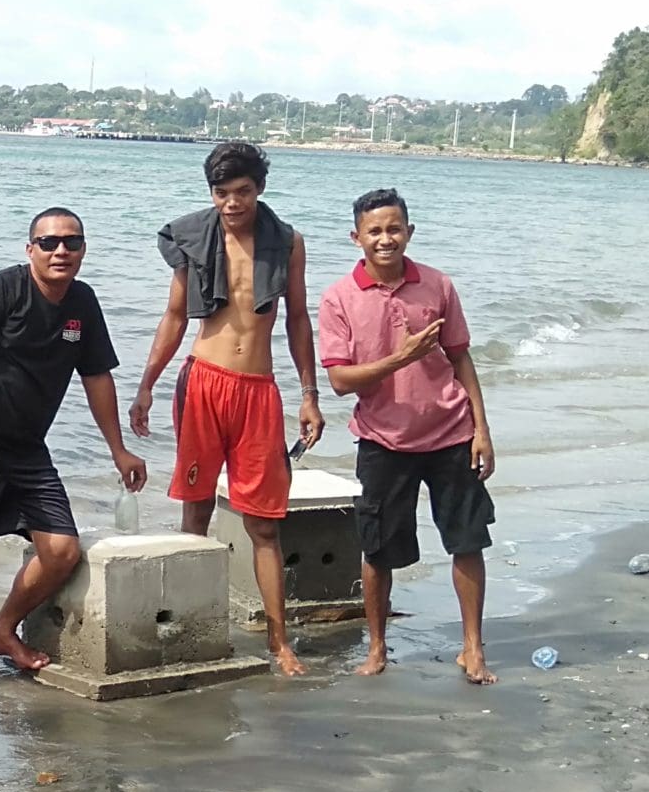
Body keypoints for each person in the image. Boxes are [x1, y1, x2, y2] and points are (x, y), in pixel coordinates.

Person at [129, 141, 324, 675]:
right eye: (222, 193)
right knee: (195, 509)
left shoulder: (286, 242)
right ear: (211, 192)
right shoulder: (195, 239)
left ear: (259, 189)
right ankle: (191, 633)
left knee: (264, 524)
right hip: (203, 382)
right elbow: (174, 316)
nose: (232, 203)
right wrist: (146, 384)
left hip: (258, 390)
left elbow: (298, 320)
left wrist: (309, 394)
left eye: (242, 192)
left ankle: (279, 642)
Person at [0, 208, 148, 673]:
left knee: (62, 551)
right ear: (30, 249)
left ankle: (2, 630)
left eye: (71, 242)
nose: (60, 251)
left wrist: (119, 449)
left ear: (84, 250)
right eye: (48, 243)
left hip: (28, 449)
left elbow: (97, 377)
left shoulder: (83, 304)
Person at [317, 189, 499, 683]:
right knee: (377, 549)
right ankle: (376, 648)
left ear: (409, 232)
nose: (385, 239)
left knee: (467, 541)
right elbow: (339, 381)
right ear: (355, 237)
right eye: (374, 231)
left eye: (394, 228)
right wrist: (400, 357)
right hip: (382, 442)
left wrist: (482, 429)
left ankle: (473, 649)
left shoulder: (437, 285)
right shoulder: (339, 297)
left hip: (451, 433)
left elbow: (460, 356)